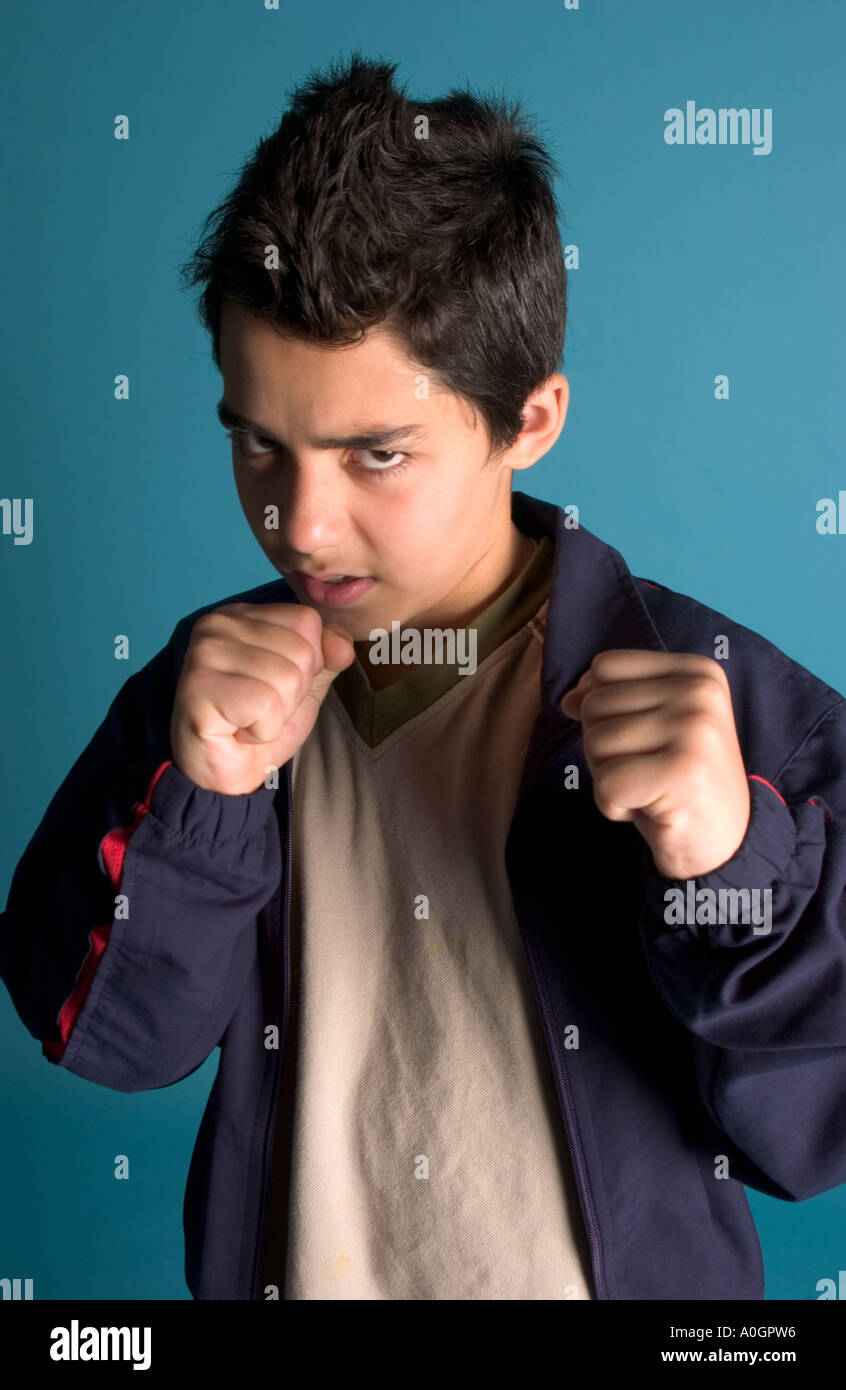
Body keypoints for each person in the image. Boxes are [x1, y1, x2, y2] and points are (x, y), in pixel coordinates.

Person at [2, 50, 846, 1302]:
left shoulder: (714, 696)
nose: (301, 524)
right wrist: (199, 803)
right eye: (259, 445)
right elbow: (110, 1046)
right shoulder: (201, 702)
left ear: (532, 419)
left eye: (376, 454)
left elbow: (815, 1124)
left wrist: (732, 862)